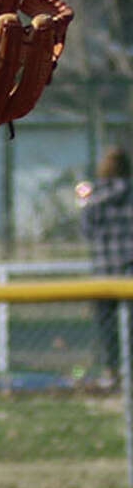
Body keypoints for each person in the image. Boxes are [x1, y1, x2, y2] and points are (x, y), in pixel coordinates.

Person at [78, 145, 133, 388]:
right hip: (130, 270)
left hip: (104, 272)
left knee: (107, 328)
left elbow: (86, 232)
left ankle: (112, 371)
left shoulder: (94, 199)